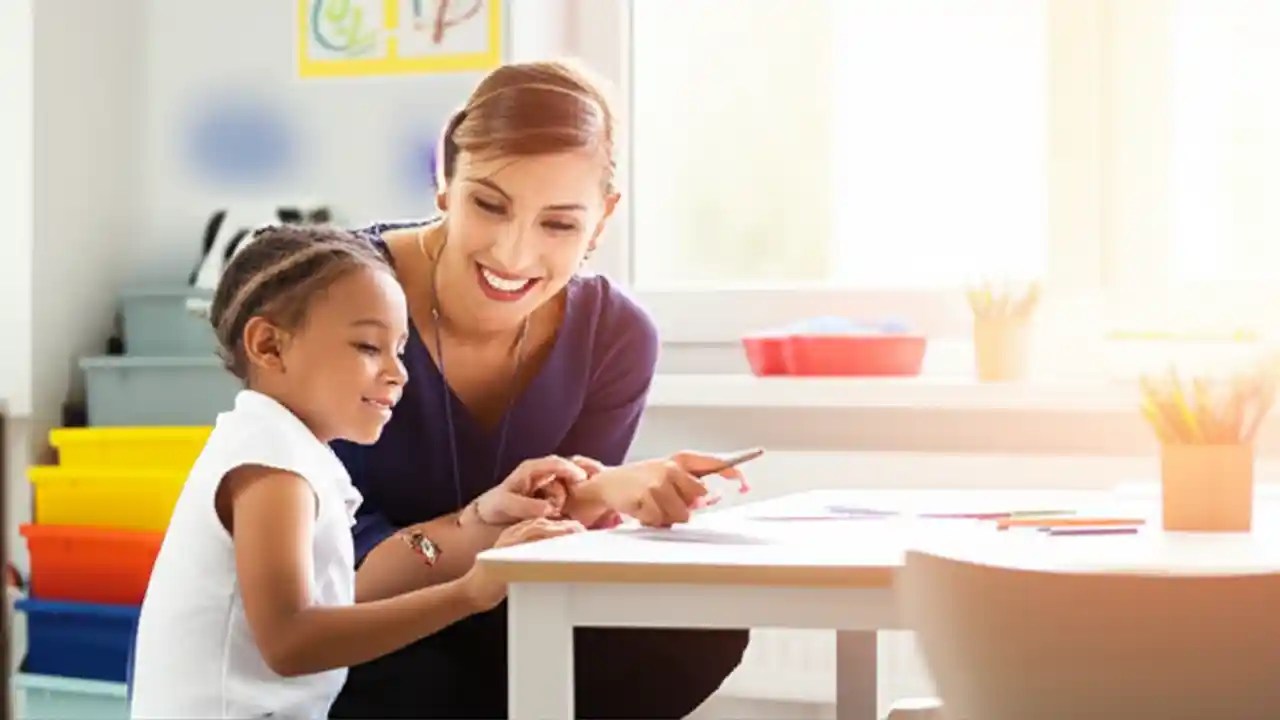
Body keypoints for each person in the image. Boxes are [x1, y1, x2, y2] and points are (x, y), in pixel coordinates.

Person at [329, 60, 752, 719]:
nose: (513, 255)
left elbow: (547, 530)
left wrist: (607, 489)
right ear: (445, 181)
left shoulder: (615, 336)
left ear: (604, 218)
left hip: (503, 612)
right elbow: (338, 575)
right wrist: (485, 533)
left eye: (558, 224)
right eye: (488, 205)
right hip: (355, 625)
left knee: (696, 632)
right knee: (423, 683)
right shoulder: (335, 295)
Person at [129, 226, 587, 719]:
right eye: (369, 347)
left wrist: (481, 518)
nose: (399, 372)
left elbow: (352, 593)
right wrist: (471, 593)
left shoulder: (291, 451)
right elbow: (290, 643)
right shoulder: (272, 466)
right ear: (269, 346)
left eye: (401, 348)